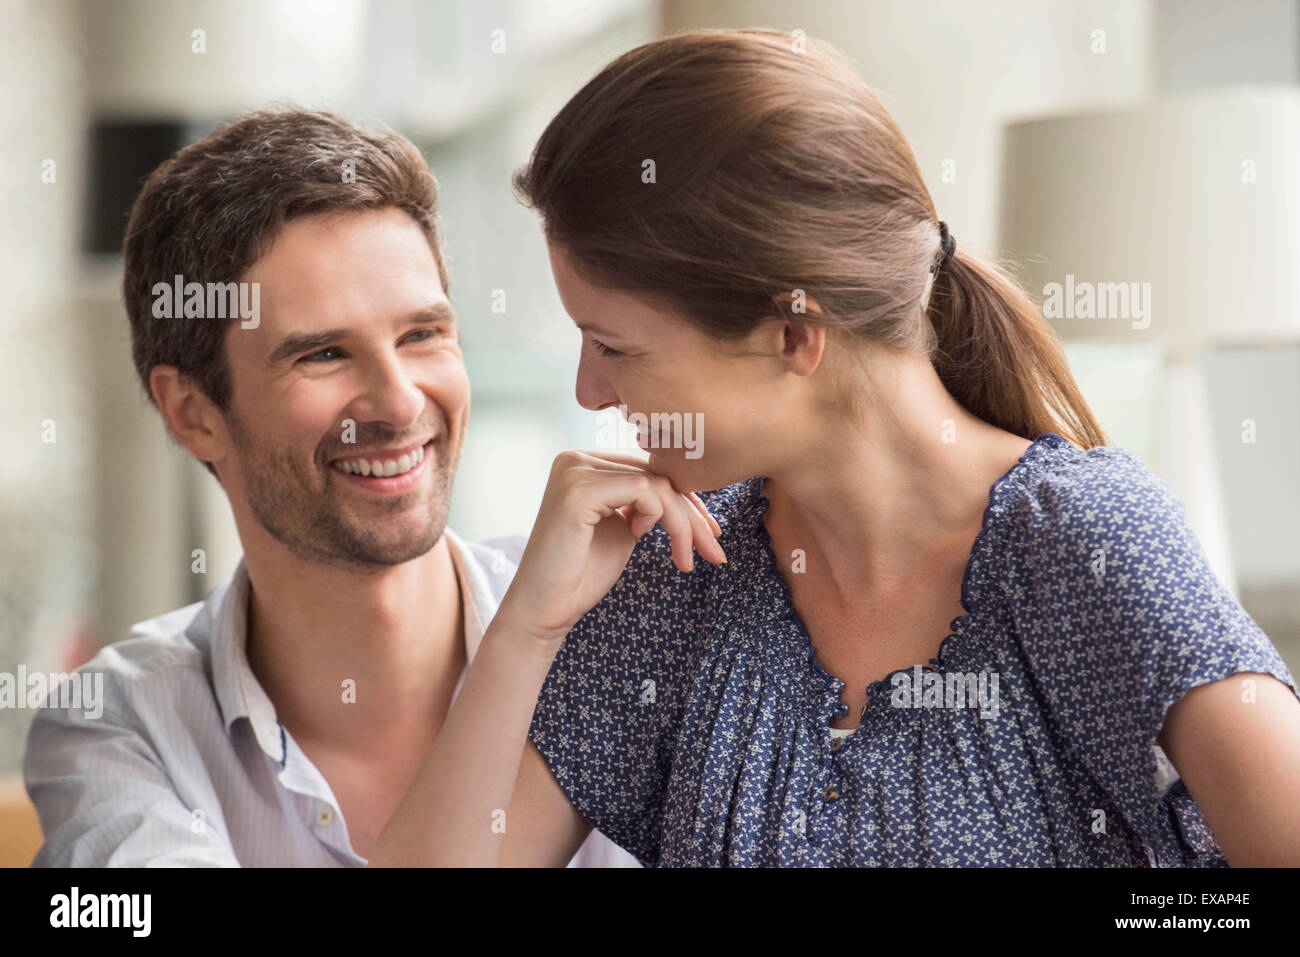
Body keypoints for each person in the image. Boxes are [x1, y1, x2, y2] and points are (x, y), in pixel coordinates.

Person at [371, 28, 1300, 867]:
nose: (591, 392)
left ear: (793, 334)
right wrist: (529, 624)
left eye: (615, 347)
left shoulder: (1085, 544)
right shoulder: (675, 576)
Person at [23, 108, 638, 867]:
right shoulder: (121, 729)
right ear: (193, 412)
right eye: (322, 353)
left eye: (422, 335)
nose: (401, 402)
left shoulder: (623, 632)